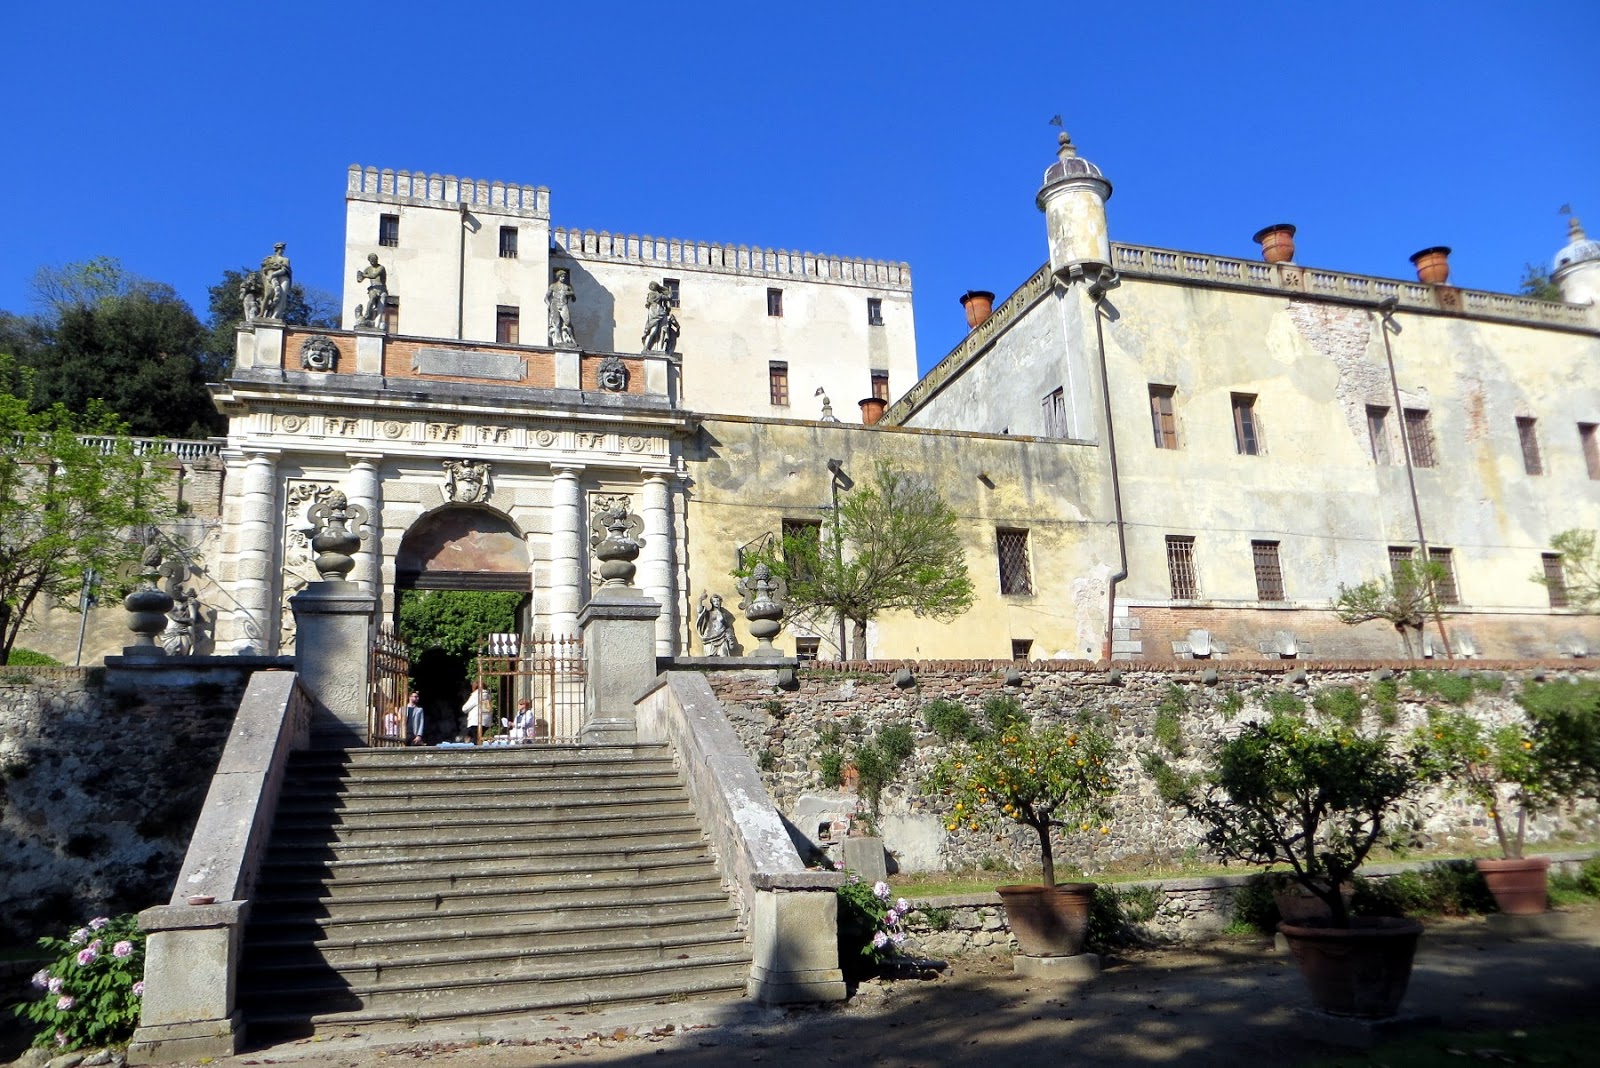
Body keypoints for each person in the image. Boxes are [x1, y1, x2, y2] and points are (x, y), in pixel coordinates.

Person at [546, 268, 577, 347]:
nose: (563, 278)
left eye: (564, 277)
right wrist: (549, 304)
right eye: (562, 276)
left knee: (567, 322)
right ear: (558, 277)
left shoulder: (567, 287)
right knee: (556, 324)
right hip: (554, 305)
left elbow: (574, 299)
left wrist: (570, 293)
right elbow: (546, 298)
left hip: (563, 304)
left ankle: (567, 338)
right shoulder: (553, 286)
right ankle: (558, 341)